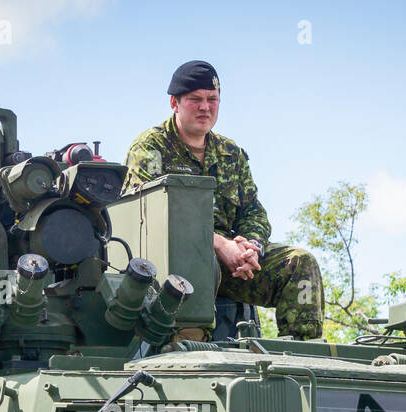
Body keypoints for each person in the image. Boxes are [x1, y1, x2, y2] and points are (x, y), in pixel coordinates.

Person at [121, 60, 325, 341]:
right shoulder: (151, 148)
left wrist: (250, 247)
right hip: (170, 265)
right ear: (174, 103)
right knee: (201, 259)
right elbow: (155, 218)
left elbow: (253, 212)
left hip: (231, 264)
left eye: (212, 99)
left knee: (300, 262)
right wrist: (218, 244)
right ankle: (191, 348)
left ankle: (303, 354)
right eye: (195, 100)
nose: (205, 107)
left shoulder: (230, 153)